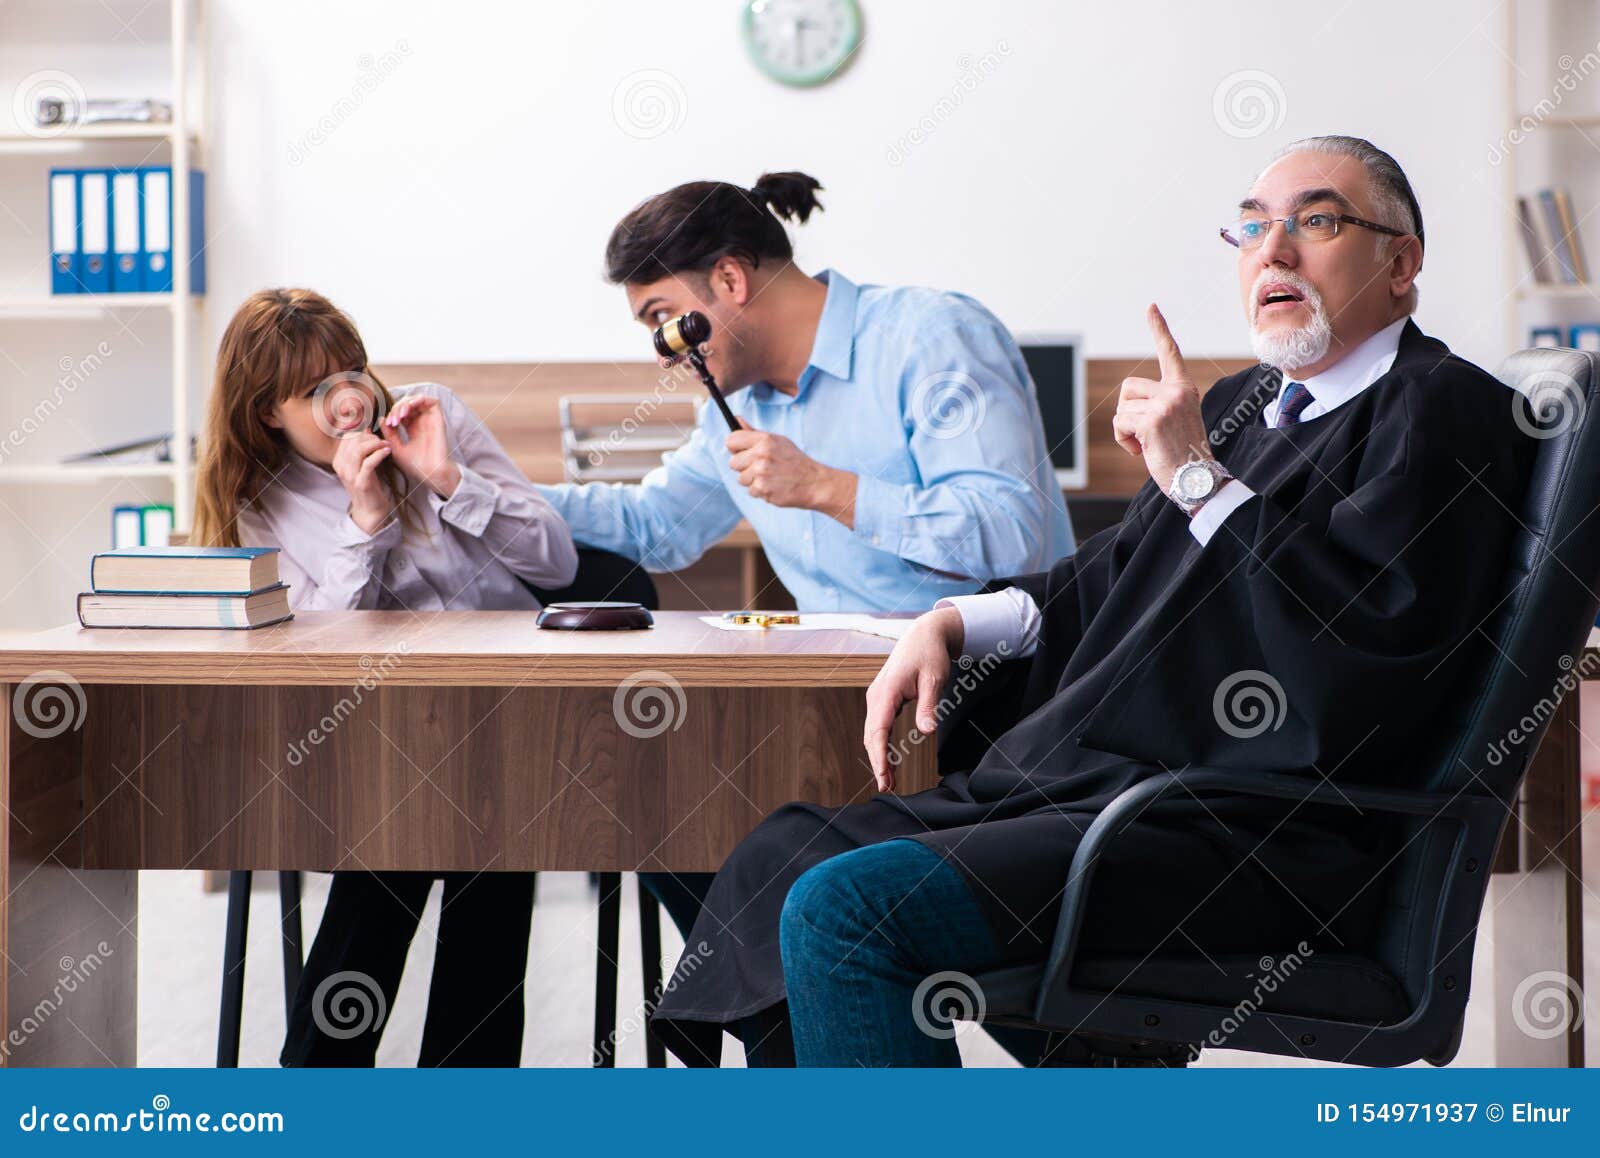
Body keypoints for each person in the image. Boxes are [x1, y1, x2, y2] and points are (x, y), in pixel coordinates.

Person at [649, 136, 1539, 1066]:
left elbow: (1358, 652)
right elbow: (1115, 573)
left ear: (1402, 263)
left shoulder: (1440, 407)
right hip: (1123, 793)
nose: (1272, 250)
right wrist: (953, 618)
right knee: (780, 855)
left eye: (1315, 221)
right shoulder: (1245, 405)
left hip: (1259, 826)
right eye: (1251, 227)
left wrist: (1197, 479)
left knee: (850, 908)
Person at [538, 170, 1076, 957]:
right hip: (841, 710)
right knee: (646, 807)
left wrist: (826, 488)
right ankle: (796, 1050)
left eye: (663, 322)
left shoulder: (928, 335)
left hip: (993, 701)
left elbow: (1011, 534)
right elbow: (655, 525)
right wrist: (469, 486)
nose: (661, 355)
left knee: (792, 874)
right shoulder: (742, 404)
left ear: (729, 279)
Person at [191, 288, 577, 1066]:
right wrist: (363, 524)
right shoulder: (258, 501)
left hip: (500, 705)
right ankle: (342, 1091)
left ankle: (390, 1091)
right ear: (268, 411)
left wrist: (448, 480)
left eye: (353, 372)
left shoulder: (435, 417)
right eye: (313, 391)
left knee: (477, 833)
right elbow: (309, 650)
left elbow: (557, 563)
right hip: (369, 727)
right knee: (423, 824)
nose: (348, 400)